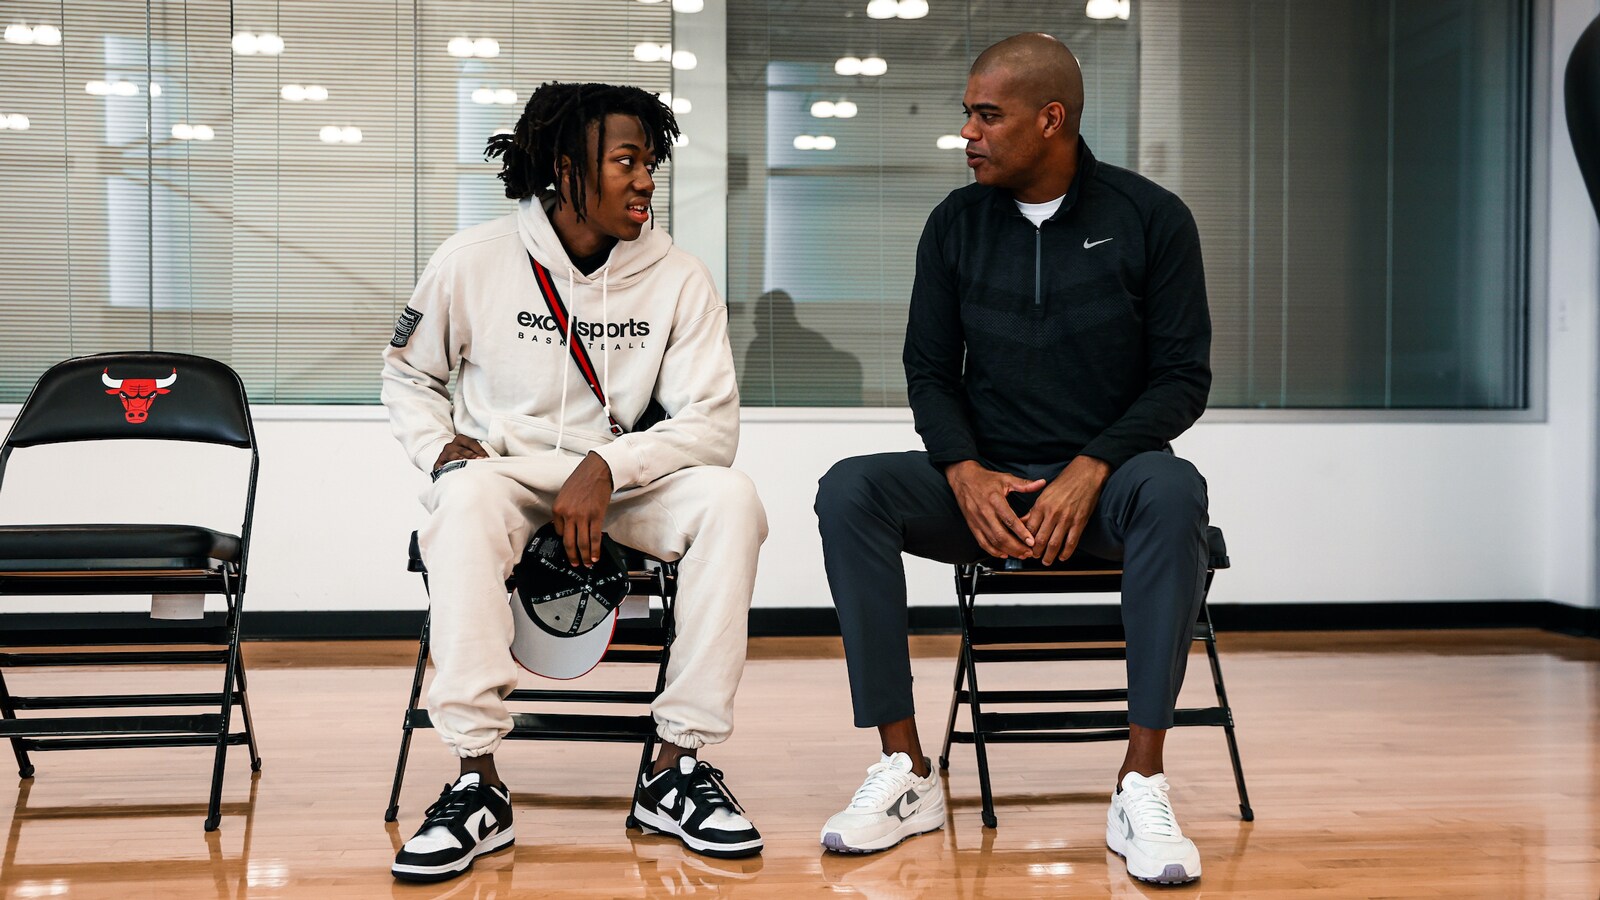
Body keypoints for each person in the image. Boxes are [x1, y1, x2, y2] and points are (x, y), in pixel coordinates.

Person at [813, 34, 1214, 886]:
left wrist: (1092, 467)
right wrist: (962, 470)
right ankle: (906, 770)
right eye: (968, 114)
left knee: (1175, 488)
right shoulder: (955, 224)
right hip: (985, 490)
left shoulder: (1152, 218)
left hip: (1106, 492)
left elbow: (1183, 379)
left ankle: (1140, 780)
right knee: (851, 489)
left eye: (987, 115)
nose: (968, 132)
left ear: (1051, 119)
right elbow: (929, 371)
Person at [382, 81, 767, 882]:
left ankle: (676, 769)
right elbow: (408, 374)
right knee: (464, 497)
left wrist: (608, 466)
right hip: (510, 474)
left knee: (731, 501)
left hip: (624, 482)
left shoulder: (679, 278)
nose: (646, 181)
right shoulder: (473, 261)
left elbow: (711, 426)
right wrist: (439, 446)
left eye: (651, 162)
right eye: (626, 161)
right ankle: (476, 781)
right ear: (566, 169)